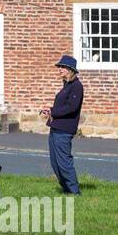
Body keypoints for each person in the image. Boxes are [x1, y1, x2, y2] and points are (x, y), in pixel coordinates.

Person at [40, 55, 83, 195]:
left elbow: (71, 107)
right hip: (56, 128)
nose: (60, 70)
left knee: (64, 162)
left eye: (62, 67)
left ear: (70, 70)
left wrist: (53, 111)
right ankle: (67, 190)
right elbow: (63, 107)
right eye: (59, 67)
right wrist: (50, 111)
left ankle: (75, 192)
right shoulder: (67, 85)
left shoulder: (77, 86)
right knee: (55, 163)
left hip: (64, 131)